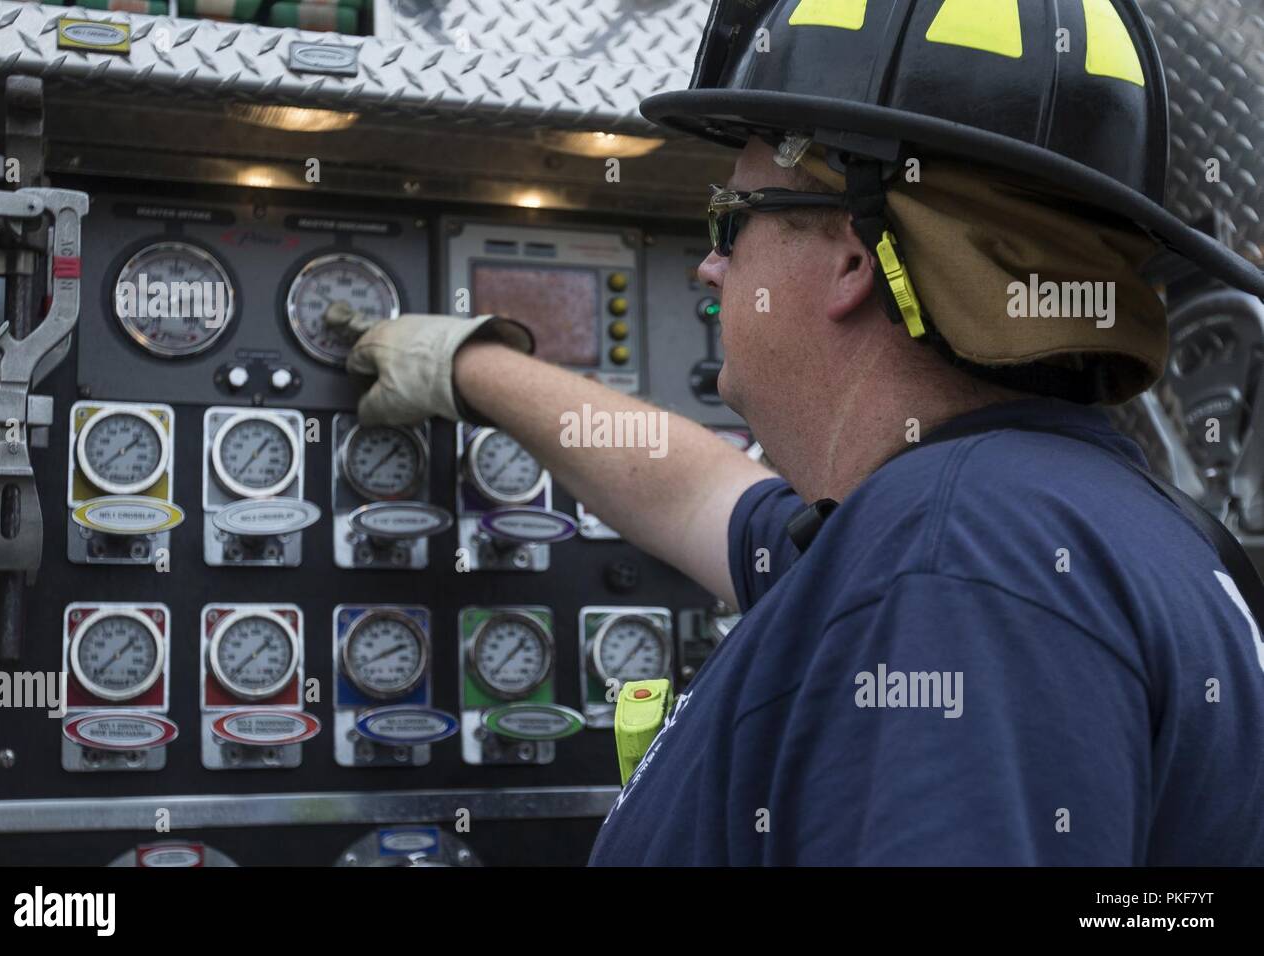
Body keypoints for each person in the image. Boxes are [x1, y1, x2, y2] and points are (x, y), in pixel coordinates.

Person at [342, 0, 1264, 864]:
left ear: (854, 259)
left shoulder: (953, 571)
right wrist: (467, 366)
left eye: (730, 220)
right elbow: (696, 492)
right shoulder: (1035, 515)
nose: (707, 267)